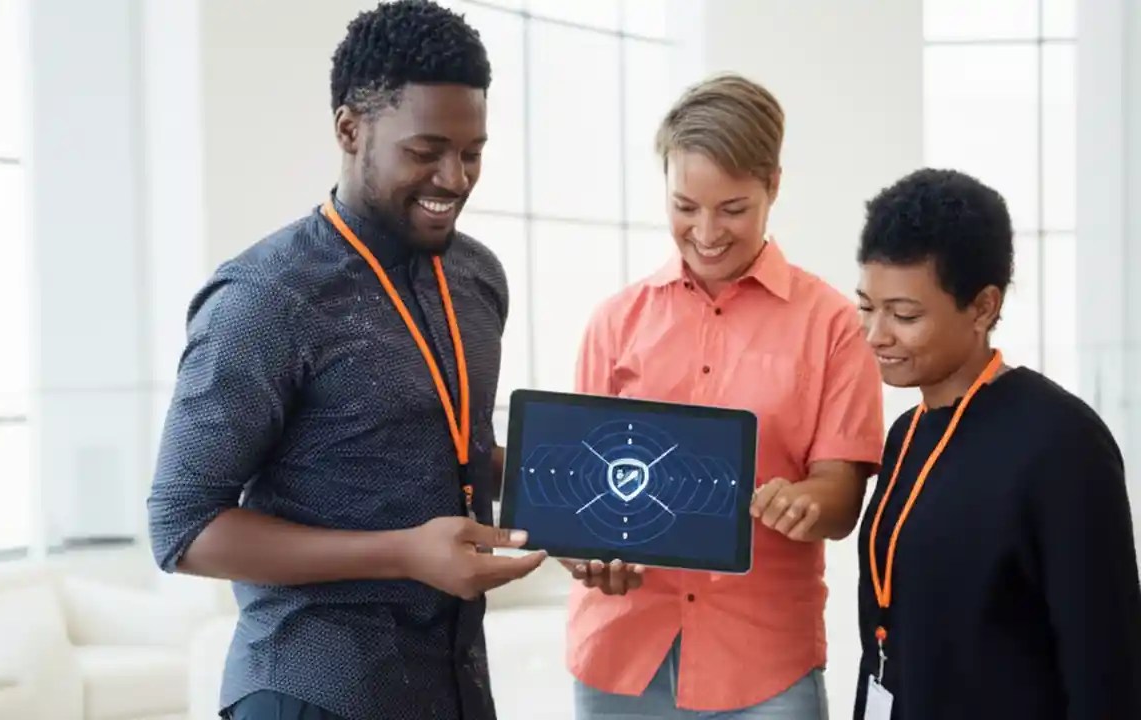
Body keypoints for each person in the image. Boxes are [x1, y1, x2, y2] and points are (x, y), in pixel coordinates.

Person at [146, 2, 546, 719]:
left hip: (454, 689)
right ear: (349, 129)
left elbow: (452, 448)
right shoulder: (266, 297)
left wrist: (584, 502)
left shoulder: (477, 278)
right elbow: (182, 527)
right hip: (311, 691)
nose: (455, 178)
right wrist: (403, 553)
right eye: (425, 151)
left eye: (472, 152)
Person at [565, 73, 886, 719]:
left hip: (764, 661)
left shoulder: (832, 324)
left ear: (773, 186)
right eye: (685, 206)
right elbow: (583, 492)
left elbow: (841, 497)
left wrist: (803, 501)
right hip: (621, 653)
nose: (707, 231)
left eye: (733, 209)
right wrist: (584, 549)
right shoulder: (615, 323)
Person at [852, 167, 1141, 719]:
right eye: (867, 306)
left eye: (904, 315)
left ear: (983, 307)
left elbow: (1106, 667)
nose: (876, 335)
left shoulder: (1063, 444)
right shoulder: (907, 433)